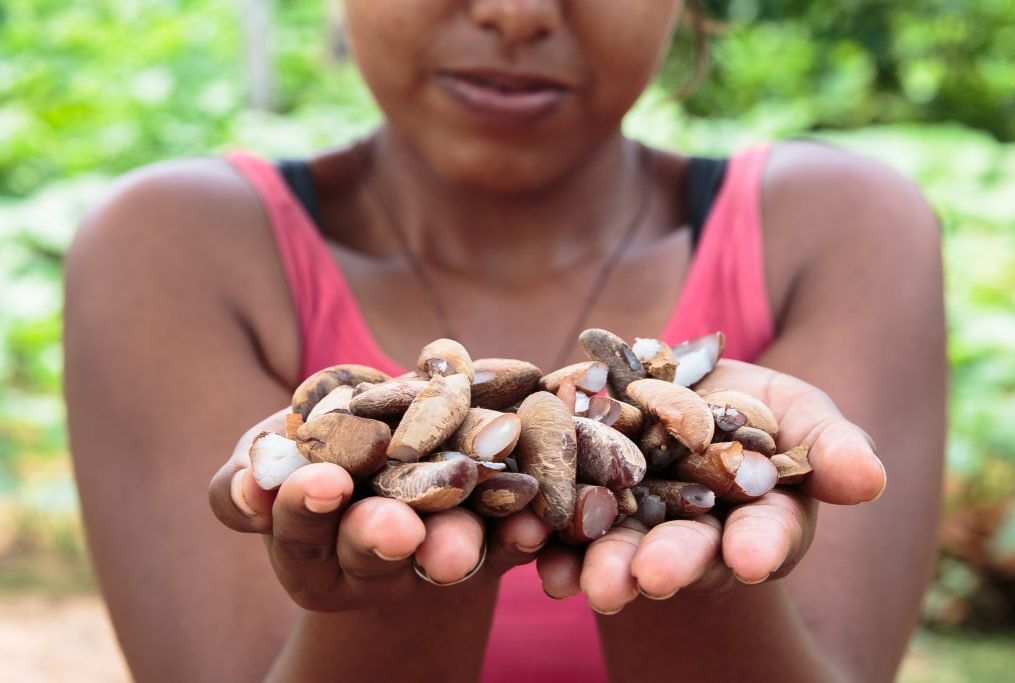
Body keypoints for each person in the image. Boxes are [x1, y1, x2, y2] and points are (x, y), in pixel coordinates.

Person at [63, 1, 946, 681]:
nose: (515, 12)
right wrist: (398, 572)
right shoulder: (171, 246)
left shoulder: (842, 228)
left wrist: (682, 532)